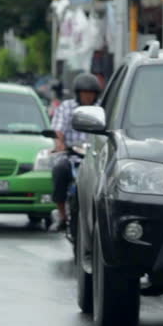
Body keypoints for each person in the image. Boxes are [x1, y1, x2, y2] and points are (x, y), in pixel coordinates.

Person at [49, 72, 102, 231]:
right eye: (84, 93)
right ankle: (62, 216)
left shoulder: (102, 108)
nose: (88, 96)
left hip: (96, 157)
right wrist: (59, 143)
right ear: (78, 93)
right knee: (59, 170)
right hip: (72, 155)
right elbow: (58, 130)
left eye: (91, 93)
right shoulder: (66, 107)